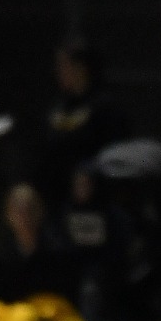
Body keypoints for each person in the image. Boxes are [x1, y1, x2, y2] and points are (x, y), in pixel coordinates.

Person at [31, 38, 130, 214]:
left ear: (81, 68)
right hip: (55, 200)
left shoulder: (105, 107)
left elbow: (116, 153)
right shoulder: (58, 108)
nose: (58, 71)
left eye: (64, 65)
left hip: (93, 202)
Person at [0, 183, 79, 303]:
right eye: (18, 210)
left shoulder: (58, 251)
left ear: (40, 211)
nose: (24, 216)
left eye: (30, 209)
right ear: (8, 214)